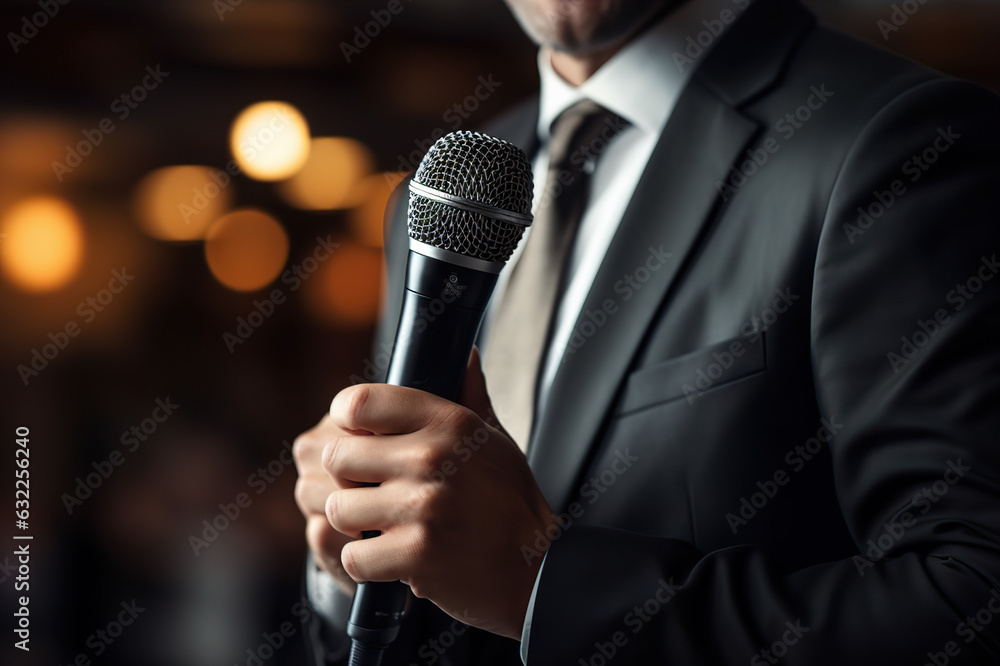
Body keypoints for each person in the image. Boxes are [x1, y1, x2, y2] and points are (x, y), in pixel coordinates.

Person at [293, 0, 1000, 663]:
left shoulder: (900, 139)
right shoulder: (445, 194)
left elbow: (970, 592)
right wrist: (354, 557)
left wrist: (543, 583)